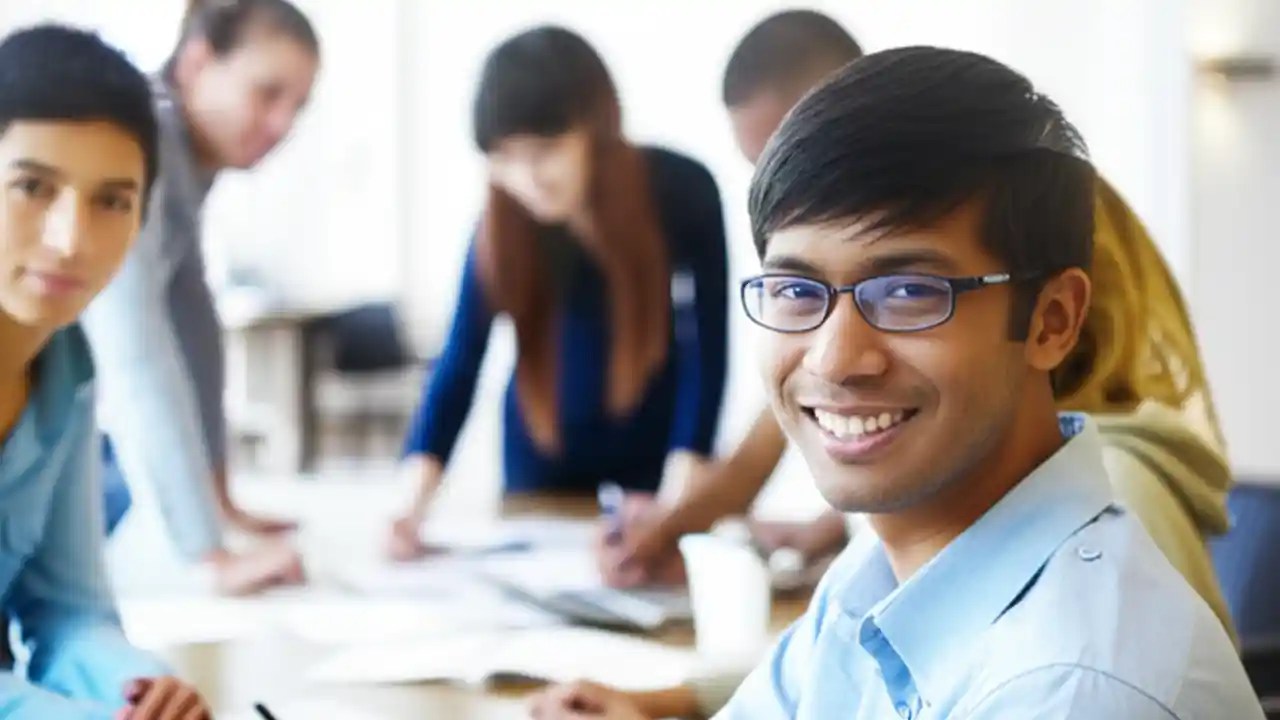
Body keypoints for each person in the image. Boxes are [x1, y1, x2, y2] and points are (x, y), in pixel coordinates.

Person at [551, 46, 1265, 719]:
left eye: (908, 292)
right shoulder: (876, 581)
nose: (834, 359)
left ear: (1051, 321)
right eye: (796, 289)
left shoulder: (1069, 689)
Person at [388, 26, 728, 560]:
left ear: (595, 129)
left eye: (545, 150)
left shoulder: (681, 191)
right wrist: (409, 507)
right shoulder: (500, 225)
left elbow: (709, 345)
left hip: (650, 465)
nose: (527, 178)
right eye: (504, 157)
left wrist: (678, 499)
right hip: (539, 467)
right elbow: (458, 363)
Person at [0, 24, 212, 719]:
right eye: (33, 187)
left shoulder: (67, 369)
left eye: (112, 201)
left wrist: (139, 690)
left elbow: (67, 612)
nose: (70, 240)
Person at [81, 0, 320, 595]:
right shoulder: (137, 137)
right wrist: (207, 554)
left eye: (297, 107)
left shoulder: (189, 163)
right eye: (267, 94)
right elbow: (135, 344)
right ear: (196, 62)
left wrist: (219, 500)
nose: (281, 125)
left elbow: (193, 322)